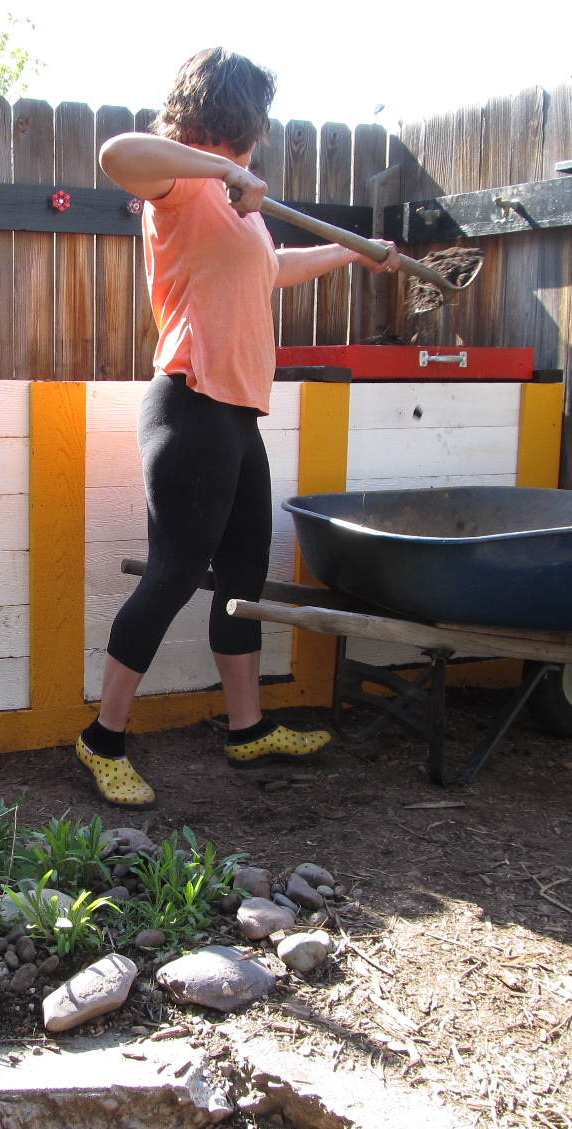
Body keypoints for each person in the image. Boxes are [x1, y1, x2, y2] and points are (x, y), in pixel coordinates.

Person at [78, 47, 400, 810]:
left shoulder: (234, 203)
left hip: (237, 410)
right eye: (257, 125)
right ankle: (102, 740)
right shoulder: (184, 183)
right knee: (173, 575)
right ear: (242, 118)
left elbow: (269, 270)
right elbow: (116, 153)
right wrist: (222, 168)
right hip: (192, 400)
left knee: (242, 575)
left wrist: (354, 253)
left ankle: (248, 728)